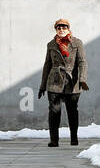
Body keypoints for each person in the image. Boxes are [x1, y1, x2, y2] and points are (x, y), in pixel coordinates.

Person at [38, 18, 88, 147]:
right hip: (54, 81)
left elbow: (82, 62)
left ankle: (74, 138)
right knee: (54, 111)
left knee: (72, 111)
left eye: (64, 27)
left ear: (68, 29)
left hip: (73, 81)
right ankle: (54, 140)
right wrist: (43, 85)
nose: (61, 30)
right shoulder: (51, 44)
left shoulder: (77, 43)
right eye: (58, 28)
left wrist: (82, 79)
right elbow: (47, 65)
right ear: (56, 29)